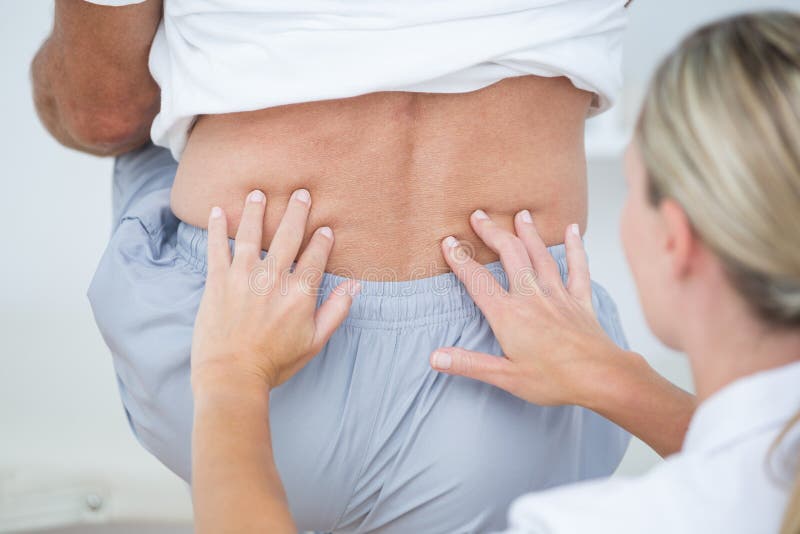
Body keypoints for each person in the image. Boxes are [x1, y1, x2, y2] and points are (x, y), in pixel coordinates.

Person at [31, 1, 695, 531]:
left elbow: (102, 113)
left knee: (136, 138)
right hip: (518, 368)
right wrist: (622, 381)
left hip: (229, 332)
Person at [187, 11, 800, 534]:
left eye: (632, 189)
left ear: (678, 238)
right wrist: (620, 384)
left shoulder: (579, 524)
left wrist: (229, 378)